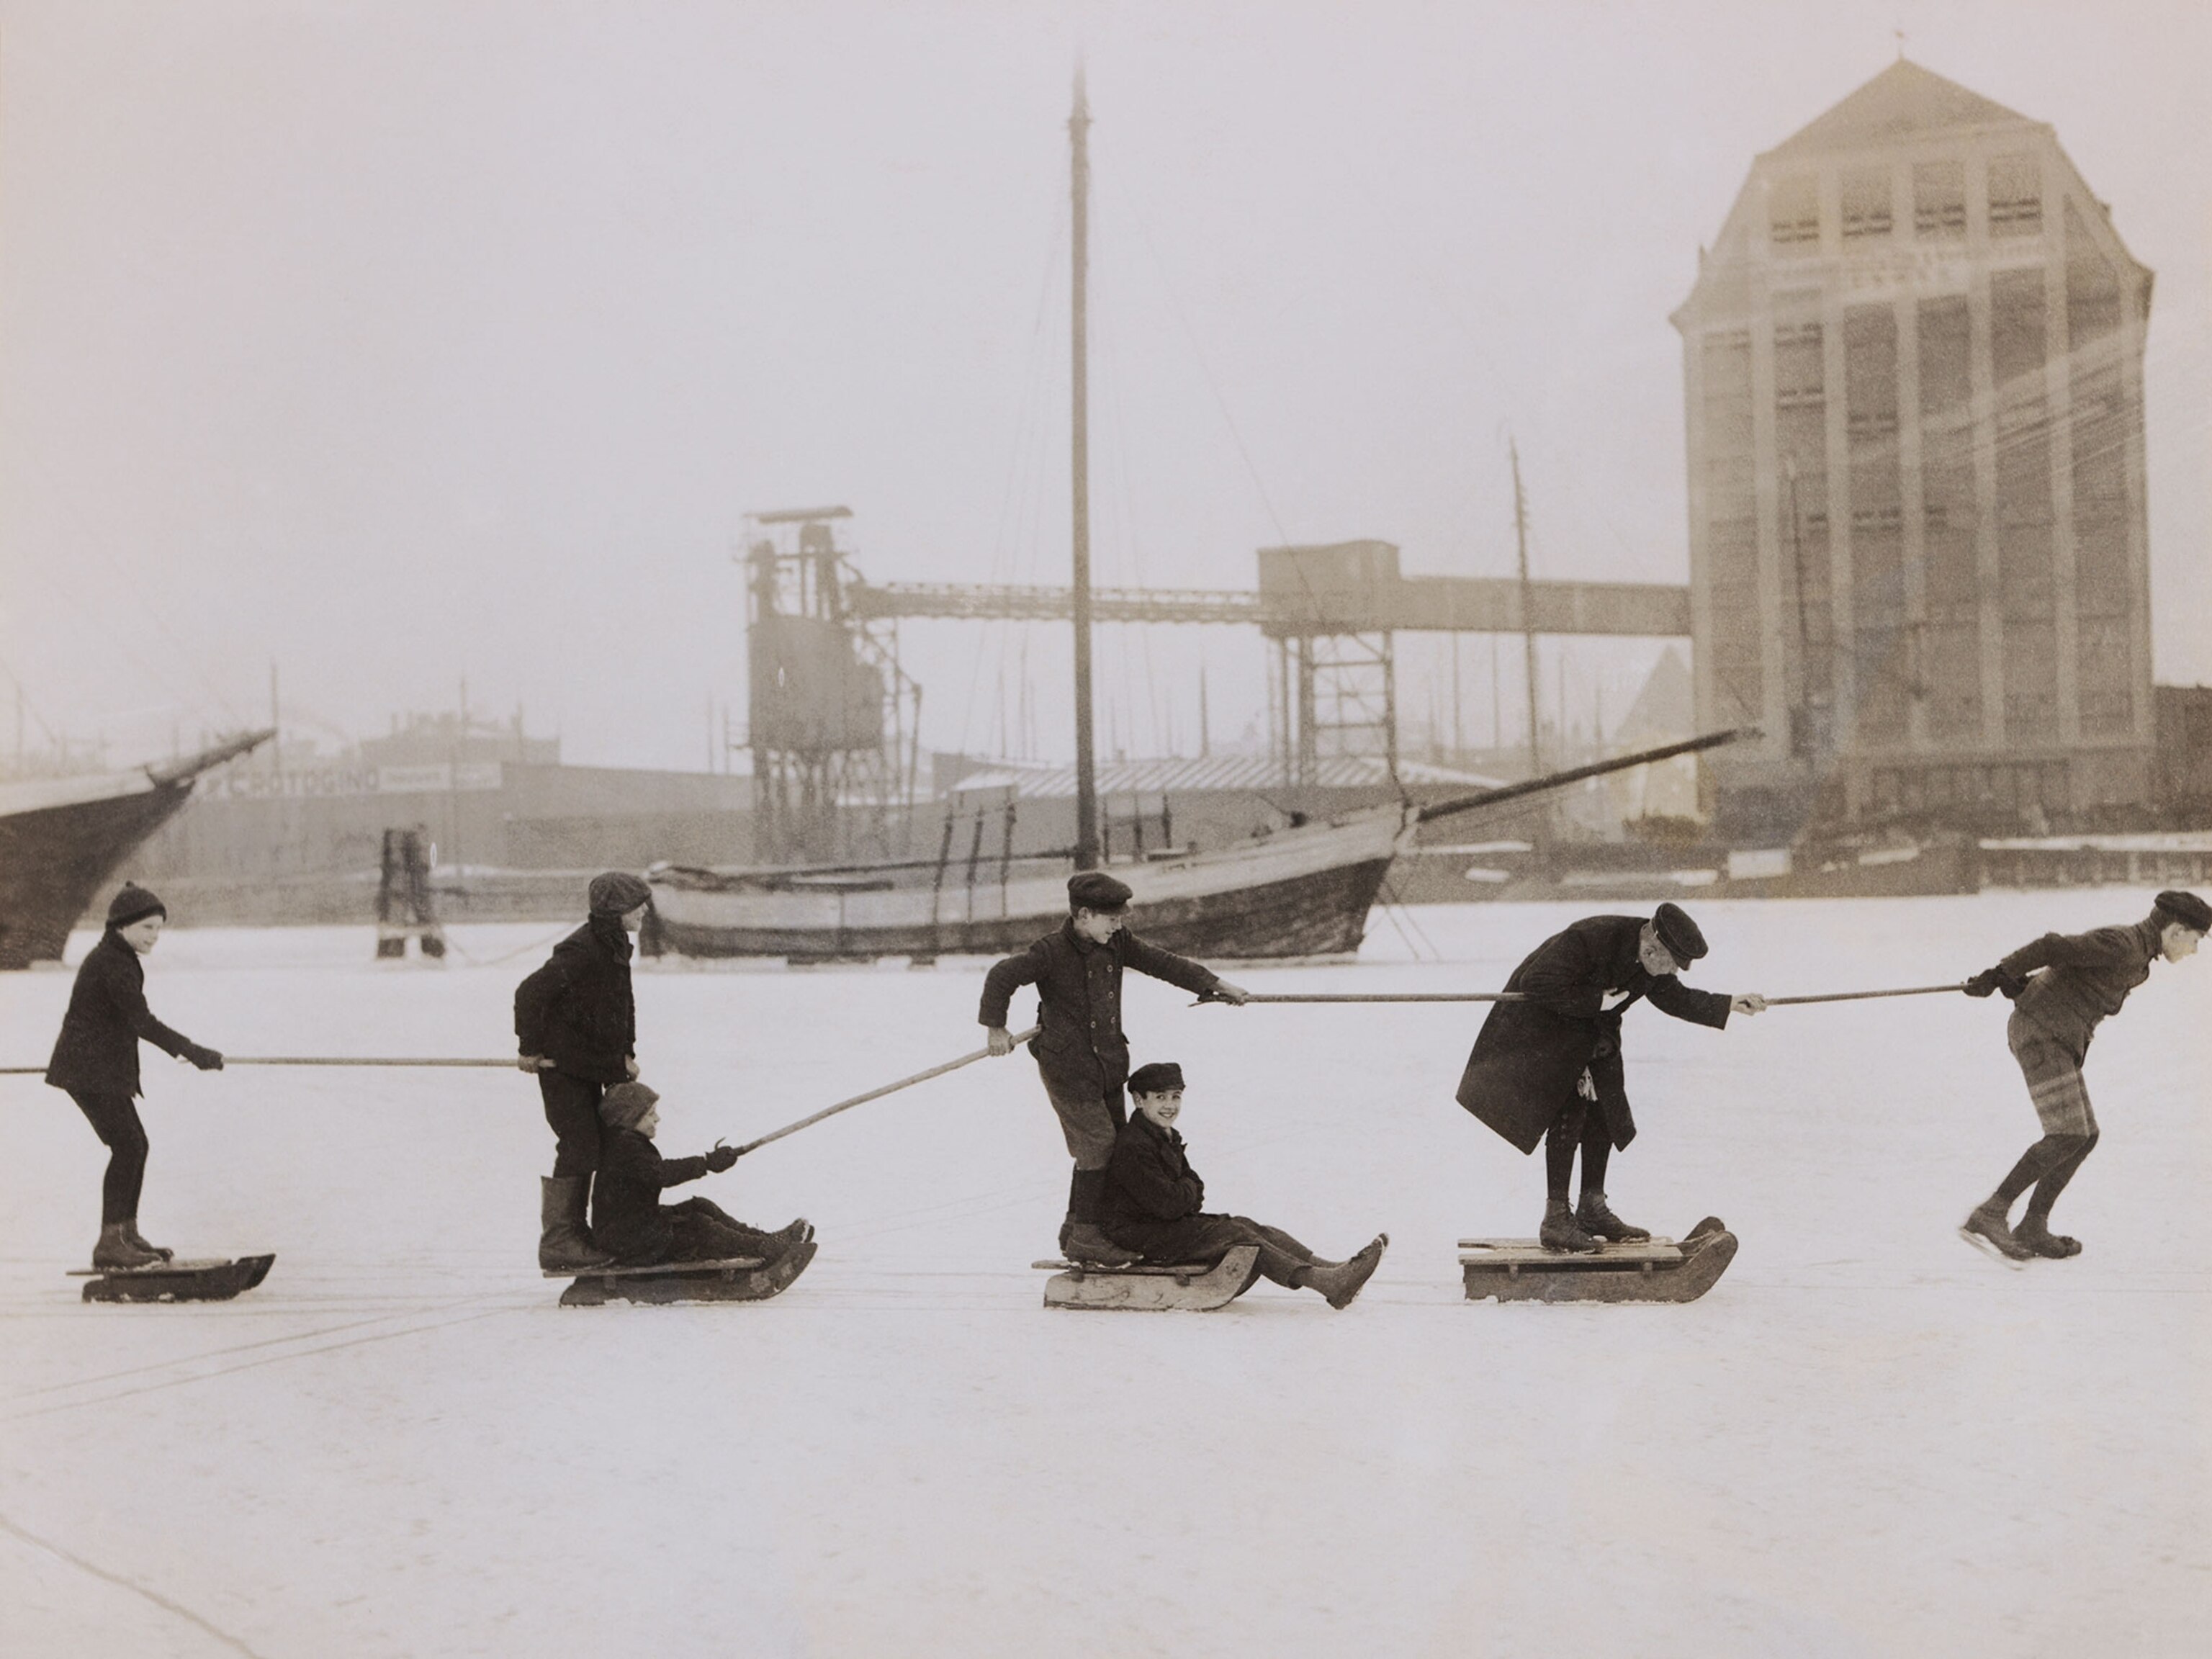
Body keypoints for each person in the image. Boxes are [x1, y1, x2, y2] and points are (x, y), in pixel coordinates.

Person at [1455, 903, 1768, 1253]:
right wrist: (1595, 1001)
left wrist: (1728, 1004)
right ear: (1651, 948)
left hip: (1591, 1029)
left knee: (1606, 1108)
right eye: (1669, 964)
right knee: (1570, 1110)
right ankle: (1556, 1219)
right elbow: (1536, 982)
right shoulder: (1590, 938)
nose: (1670, 973)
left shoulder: (1650, 959)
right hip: (1542, 1025)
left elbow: (1672, 997)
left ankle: (1592, 1209)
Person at [979, 871, 1251, 1265]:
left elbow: (1162, 962)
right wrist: (996, 1028)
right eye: (1112, 918)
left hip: (1108, 1066)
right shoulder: (1050, 951)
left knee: (1110, 1148)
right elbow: (1001, 975)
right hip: (1068, 1071)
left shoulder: (1118, 943)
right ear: (1084, 915)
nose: (1119, 925)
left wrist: (1213, 983)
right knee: (1098, 1149)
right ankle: (1088, 1238)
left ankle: (1076, 1227)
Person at [1959, 889, 2209, 1262]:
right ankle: (1991, 1213)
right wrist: (2001, 973)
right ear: (2175, 930)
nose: (2194, 951)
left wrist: (2022, 986)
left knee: (2085, 1135)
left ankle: (2033, 1226)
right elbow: (2053, 946)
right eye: (2196, 940)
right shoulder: (2124, 945)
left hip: (2055, 1034)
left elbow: (2073, 975)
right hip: (2042, 1034)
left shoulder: (2138, 954)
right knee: (2067, 1133)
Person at [1100, 1061, 1387, 1308]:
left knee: (1251, 1226)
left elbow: (1192, 1188)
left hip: (1162, 1225)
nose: (1170, 1106)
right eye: (1160, 1098)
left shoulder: (1162, 1134)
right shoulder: (1134, 1145)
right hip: (1139, 1234)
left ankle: (1331, 1269)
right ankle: (1327, 1284)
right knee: (1238, 1235)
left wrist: (1186, 1191)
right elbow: (1171, 1202)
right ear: (1139, 1100)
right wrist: (1187, 1191)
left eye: (1176, 1097)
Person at [44, 884, 225, 1269]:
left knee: (134, 1145)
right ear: (122, 927)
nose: (154, 938)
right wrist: (193, 1051)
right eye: (147, 929)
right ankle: (111, 1242)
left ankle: (125, 1233)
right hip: (88, 1070)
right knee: (128, 1146)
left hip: (99, 1069)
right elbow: (141, 1021)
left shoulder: (120, 957)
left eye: (158, 930)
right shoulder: (113, 962)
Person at [515, 871, 652, 1270]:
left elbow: (616, 1008)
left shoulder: (614, 945)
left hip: (592, 1067)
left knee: (601, 1145)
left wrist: (623, 1055)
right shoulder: (583, 949)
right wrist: (529, 1048)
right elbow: (530, 993)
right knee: (579, 1145)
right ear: (616, 911)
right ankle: (560, 1242)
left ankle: (587, 1234)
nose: (644, 910)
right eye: (636, 903)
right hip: (564, 1069)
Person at [589, 1082, 811, 1269]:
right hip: (626, 1240)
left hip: (632, 1228)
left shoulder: (626, 1142)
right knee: (698, 1225)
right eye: (650, 1114)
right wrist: (707, 1163)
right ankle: (763, 1247)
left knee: (700, 1206)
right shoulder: (624, 1147)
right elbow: (661, 1174)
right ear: (630, 1117)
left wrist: (708, 1162)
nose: (657, 1119)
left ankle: (763, 1240)